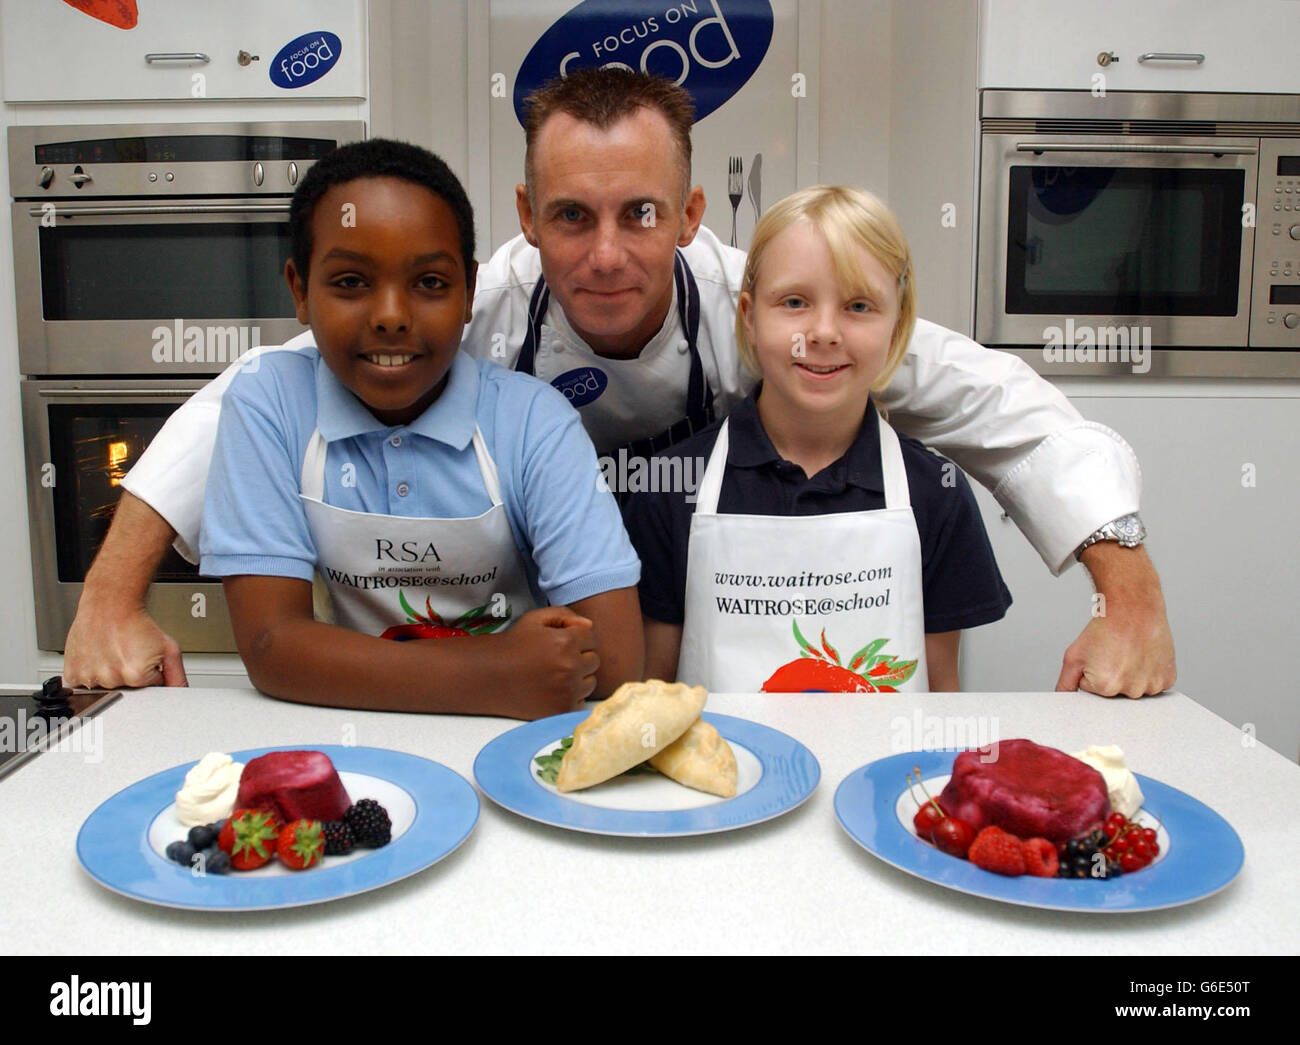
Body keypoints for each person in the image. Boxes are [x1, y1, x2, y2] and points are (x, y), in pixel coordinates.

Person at [64, 68, 1175, 698]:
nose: (604, 253)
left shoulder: (770, 306)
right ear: (526, 220)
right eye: (571, 216)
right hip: (525, 672)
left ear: (690, 218)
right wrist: (110, 600)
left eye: (640, 214)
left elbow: (990, 399)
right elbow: (253, 396)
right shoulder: (479, 303)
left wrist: (1126, 596)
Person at [197, 138, 641, 717]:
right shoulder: (271, 404)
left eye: (430, 282)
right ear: (300, 290)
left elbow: (615, 658)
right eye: (351, 282)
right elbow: (270, 647)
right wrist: (496, 672)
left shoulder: (532, 420)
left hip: (507, 749)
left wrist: (345, 666)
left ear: (467, 294)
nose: (390, 316)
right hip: (355, 736)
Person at [624, 186, 1010, 693]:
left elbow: (941, 697)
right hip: (723, 770)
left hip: (886, 771)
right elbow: (651, 695)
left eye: (858, 306)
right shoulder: (668, 490)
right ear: (749, 315)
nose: (823, 332)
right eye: (794, 302)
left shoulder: (936, 493)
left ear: (897, 328)